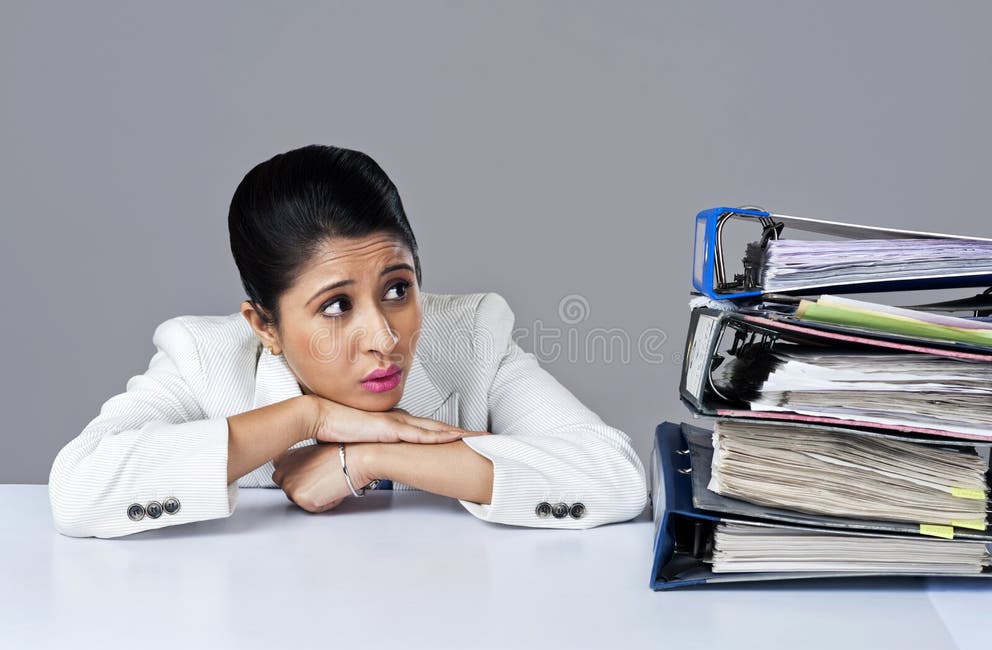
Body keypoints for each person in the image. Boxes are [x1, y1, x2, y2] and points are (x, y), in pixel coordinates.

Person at [48, 144, 648, 538]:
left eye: (397, 289)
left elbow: (614, 474)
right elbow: (78, 490)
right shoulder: (203, 360)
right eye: (336, 306)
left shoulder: (472, 336)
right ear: (264, 326)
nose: (385, 338)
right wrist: (307, 417)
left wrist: (369, 457)